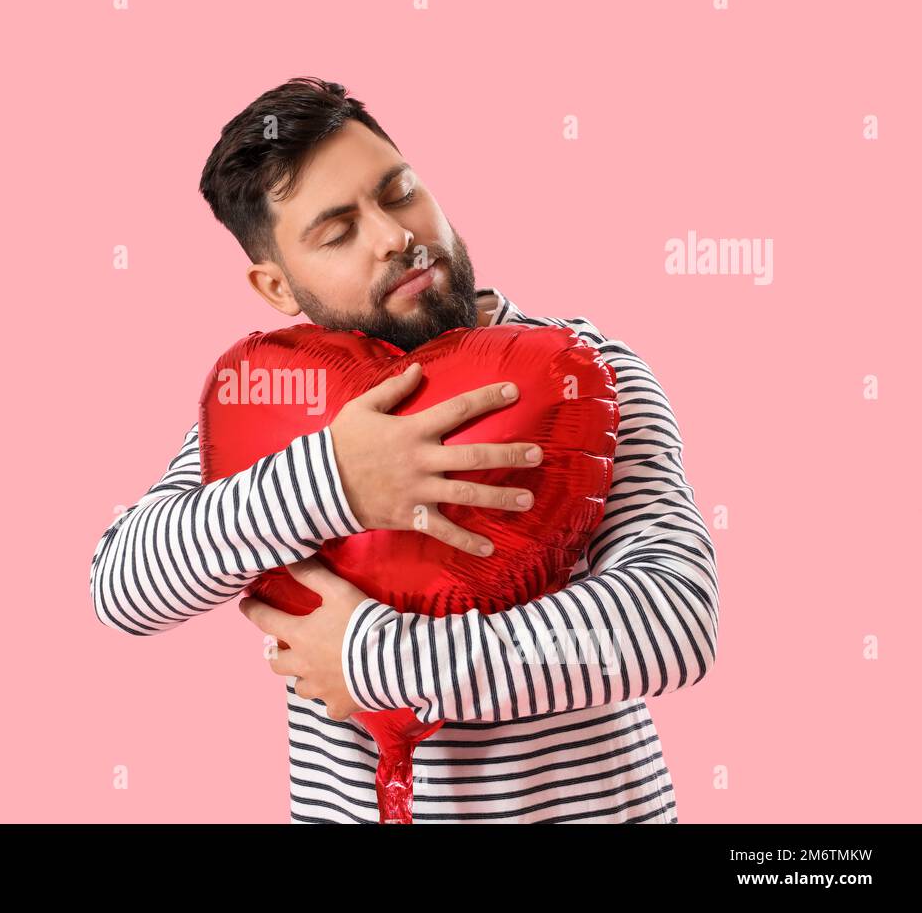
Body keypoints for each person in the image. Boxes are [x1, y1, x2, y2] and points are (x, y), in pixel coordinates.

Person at [89, 77, 719, 823]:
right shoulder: (271, 407)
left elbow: (674, 622)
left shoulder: (588, 374)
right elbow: (122, 590)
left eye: (398, 192)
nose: (393, 235)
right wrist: (338, 479)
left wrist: (373, 659)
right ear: (276, 286)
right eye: (337, 231)